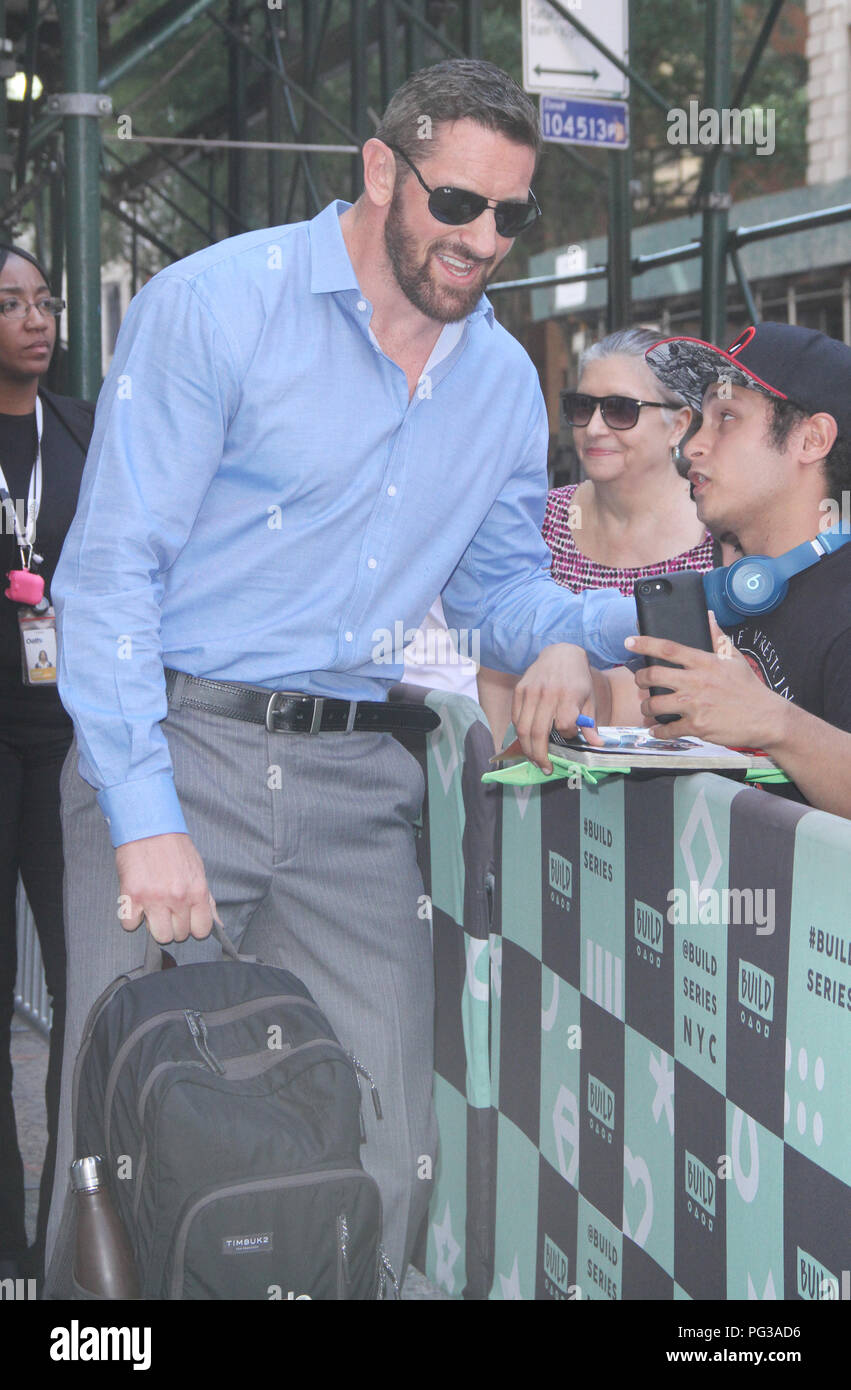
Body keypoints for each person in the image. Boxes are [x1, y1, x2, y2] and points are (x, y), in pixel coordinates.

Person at [45, 59, 636, 1293]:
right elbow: (108, 578)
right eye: (458, 204)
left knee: (380, 1150)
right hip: (175, 754)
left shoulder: (497, 378)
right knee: (120, 1141)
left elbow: (494, 595)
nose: (483, 241)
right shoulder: (216, 305)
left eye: (512, 216)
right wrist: (145, 819)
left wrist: (592, 629)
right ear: (380, 170)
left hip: (354, 787)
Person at [619, 321, 851, 818]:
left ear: (812, 439)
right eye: (700, 421)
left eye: (726, 418)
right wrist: (571, 671)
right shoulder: (729, 594)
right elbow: (629, 709)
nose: (692, 448)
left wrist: (776, 723)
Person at [478, 326, 714, 748]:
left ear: (678, 425)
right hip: (542, 782)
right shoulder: (540, 519)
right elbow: (495, 663)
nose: (595, 428)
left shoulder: (718, 533)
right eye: (582, 407)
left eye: (620, 410)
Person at [0, 244, 94, 1285]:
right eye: (10, 303)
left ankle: (76, 1213)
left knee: (82, 975)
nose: (36, 319)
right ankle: (3, 1237)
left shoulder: (82, 429)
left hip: (68, 734)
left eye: (44, 302)